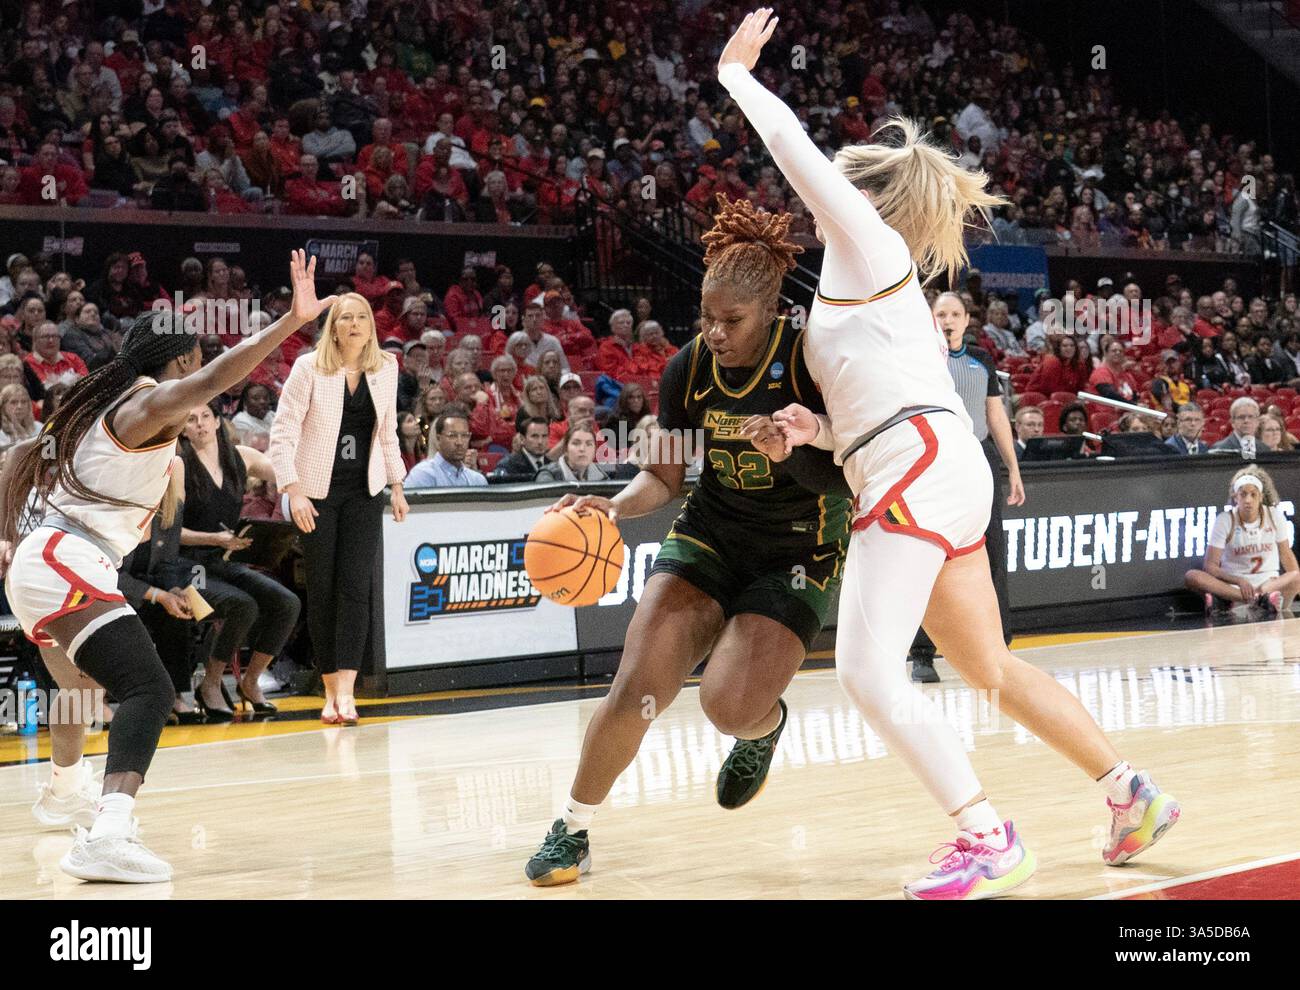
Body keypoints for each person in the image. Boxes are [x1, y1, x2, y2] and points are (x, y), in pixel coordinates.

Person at [719, 9, 1177, 899]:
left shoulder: (870, 244)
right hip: (924, 461)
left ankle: (985, 837)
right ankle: (1132, 794)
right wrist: (810, 431)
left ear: (860, 199)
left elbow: (796, 151)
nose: (813, 214)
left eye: (829, 200)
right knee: (990, 669)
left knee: (862, 668)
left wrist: (739, 77)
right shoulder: (864, 287)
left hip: (917, 470)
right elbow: (869, 400)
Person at [523, 194, 851, 887]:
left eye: (732, 319)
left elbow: (839, 480)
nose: (717, 331)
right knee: (637, 689)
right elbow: (663, 479)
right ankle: (572, 829)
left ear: (773, 313)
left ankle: (761, 730)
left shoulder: (811, 363)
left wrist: (790, 449)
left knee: (726, 706)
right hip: (711, 533)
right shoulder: (688, 369)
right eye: (707, 316)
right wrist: (611, 507)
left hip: (798, 548)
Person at [0, 249, 335, 883]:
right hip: (65, 558)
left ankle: (64, 791)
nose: (201, 369)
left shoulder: (102, 403)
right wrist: (291, 321)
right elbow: (214, 383)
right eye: (197, 359)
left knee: (77, 687)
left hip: (45, 561)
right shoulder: (148, 404)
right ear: (182, 361)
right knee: (149, 689)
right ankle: (108, 832)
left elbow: (15, 460)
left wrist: (5, 538)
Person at [269, 292, 409, 727]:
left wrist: (397, 485)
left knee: (355, 588)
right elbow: (284, 430)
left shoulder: (387, 368)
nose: (353, 324)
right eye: (345, 317)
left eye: (361, 317)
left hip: (364, 492)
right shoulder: (309, 368)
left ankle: (346, 692)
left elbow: (387, 433)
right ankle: (329, 687)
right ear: (332, 327)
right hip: (316, 492)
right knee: (325, 590)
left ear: (371, 325)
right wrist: (292, 490)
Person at [907, 292, 1025, 683]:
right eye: (941, 313)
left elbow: (995, 414)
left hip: (979, 460)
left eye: (955, 313)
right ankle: (922, 653)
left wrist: (1013, 467)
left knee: (993, 553)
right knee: (929, 556)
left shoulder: (982, 359)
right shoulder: (918, 358)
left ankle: (1000, 647)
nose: (948, 319)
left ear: (966, 319)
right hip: (934, 462)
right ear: (931, 319)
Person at [179, 402, 301, 718]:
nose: (200, 424)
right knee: (242, 605)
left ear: (219, 422)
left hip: (226, 559)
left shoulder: (241, 457)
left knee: (287, 602)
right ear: (182, 428)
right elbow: (166, 531)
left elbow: (287, 473)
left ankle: (251, 681)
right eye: (191, 419)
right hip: (188, 565)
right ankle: (211, 683)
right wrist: (213, 539)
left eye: (206, 417)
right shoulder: (178, 464)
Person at [1185, 465, 1300, 618]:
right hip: (1234, 584)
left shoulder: (1274, 516)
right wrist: (1239, 581)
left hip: (1268, 583)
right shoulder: (1225, 520)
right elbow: (1210, 566)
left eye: (1253, 495)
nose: (1248, 500)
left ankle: (1232, 602)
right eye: (1243, 494)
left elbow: (1286, 555)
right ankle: (1257, 601)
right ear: (1235, 497)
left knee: (1296, 575)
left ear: (1260, 497)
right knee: (1192, 576)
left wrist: (1296, 585)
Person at [404, 408, 488, 487]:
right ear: (438, 438)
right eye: (452, 436)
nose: (459, 442)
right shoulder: (422, 474)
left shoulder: (478, 480)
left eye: (464, 435)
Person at [534, 424, 610, 482]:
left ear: (595, 451)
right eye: (576, 443)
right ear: (565, 449)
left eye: (589, 444)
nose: (582, 449)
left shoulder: (602, 476)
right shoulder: (547, 475)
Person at [492, 417, 550, 481]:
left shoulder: (554, 464)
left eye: (544, 436)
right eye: (534, 436)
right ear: (522, 439)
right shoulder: (508, 466)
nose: (540, 442)